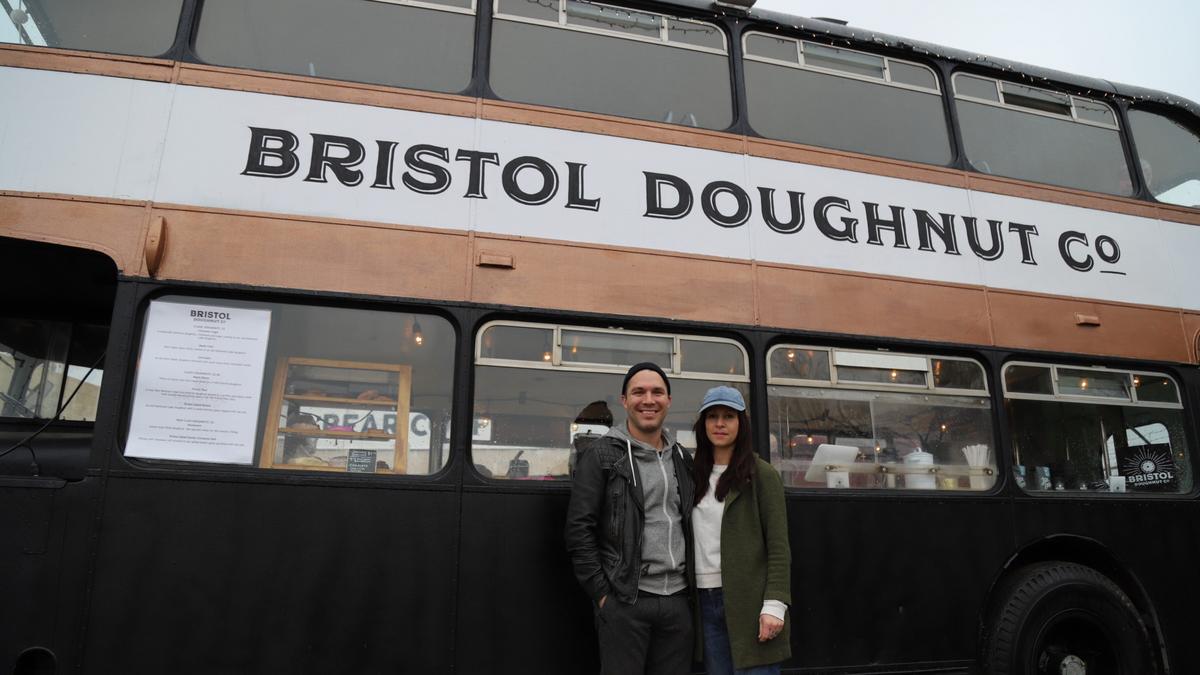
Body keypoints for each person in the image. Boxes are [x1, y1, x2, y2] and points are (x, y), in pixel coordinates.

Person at [565, 362, 696, 675]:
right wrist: (602, 596)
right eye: (639, 392)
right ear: (624, 400)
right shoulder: (601, 455)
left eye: (657, 392)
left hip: (678, 601)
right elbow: (578, 530)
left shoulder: (681, 456)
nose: (648, 399)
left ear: (668, 401)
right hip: (626, 600)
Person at [691, 386, 791, 674]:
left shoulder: (762, 475)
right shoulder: (691, 474)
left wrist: (774, 605)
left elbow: (779, 547)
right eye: (712, 416)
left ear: (741, 423)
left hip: (750, 601)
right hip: (704, 602)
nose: (719, 424)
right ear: (703, 424)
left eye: (728, 416)